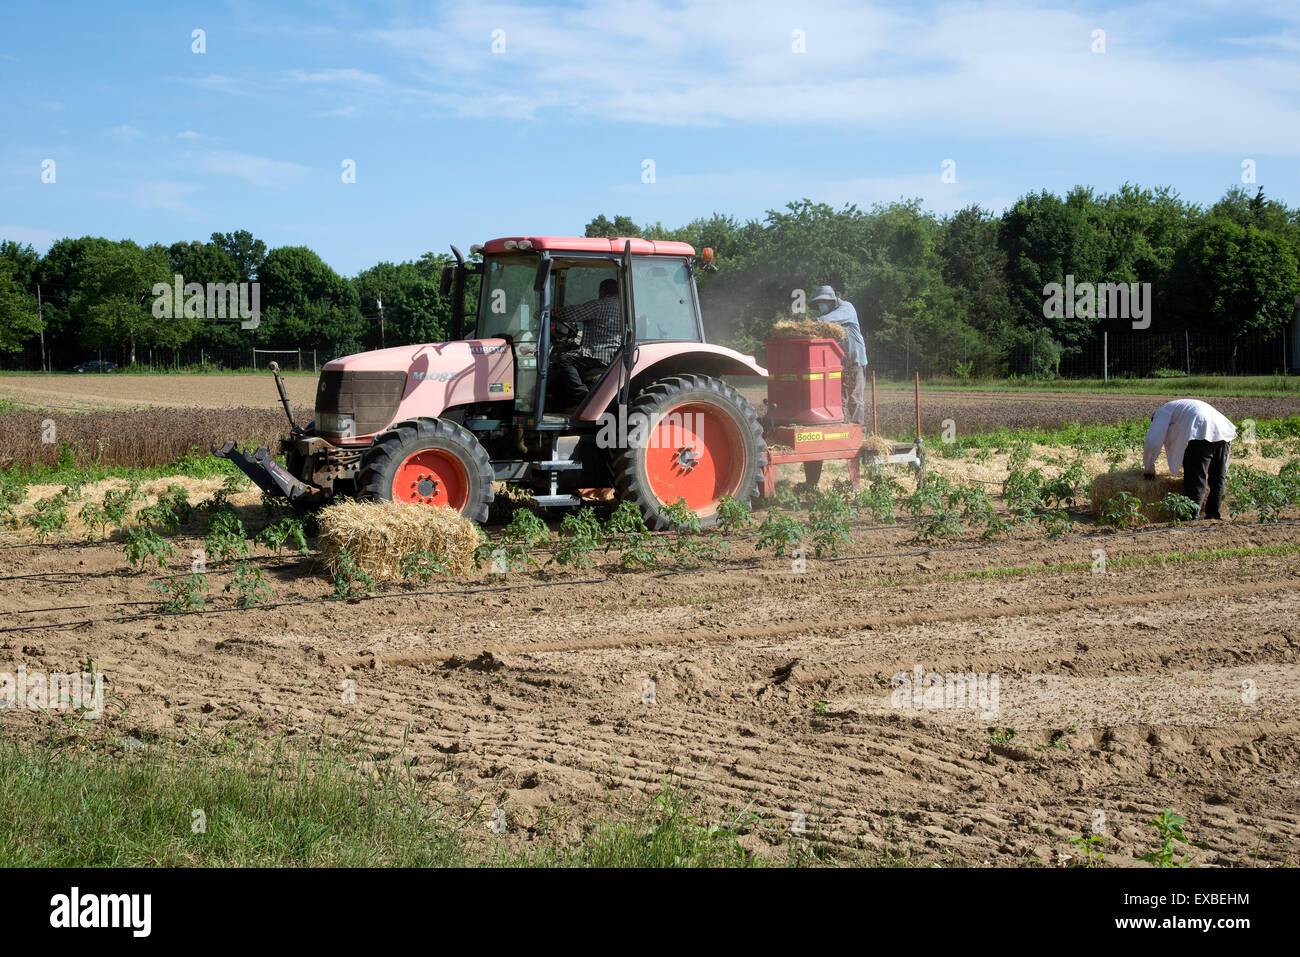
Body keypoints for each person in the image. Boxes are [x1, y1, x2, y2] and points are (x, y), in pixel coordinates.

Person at [1142, 398, 1238, 520]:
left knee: (1195, 476)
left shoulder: (1161, 414)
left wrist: (1149, 468)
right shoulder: (1176, 407)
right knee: (1218, 478)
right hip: (1223, 431)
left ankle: (1192, 516)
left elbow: (1152, 441)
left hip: (1203, 430)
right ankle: (1214, 514)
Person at [551, 278, 622, 407]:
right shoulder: (624, 307)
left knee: (564, 360)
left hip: (598, 354)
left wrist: (551, 313)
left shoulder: (601, 305)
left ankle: (582, 397)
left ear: (602, 292)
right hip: (615, 355)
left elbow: (574, 313)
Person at [809, 285, 867, 426]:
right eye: (818, 304)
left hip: (855, 361)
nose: (820, 305)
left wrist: (815, 322)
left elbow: (831, 318)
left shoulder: (846, 308)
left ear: (831, 300)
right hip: (838, 365)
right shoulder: (825, 318)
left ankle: (859, 432)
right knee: (836, 398)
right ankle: (838, 428)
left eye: (821, 302)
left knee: (854, 398)